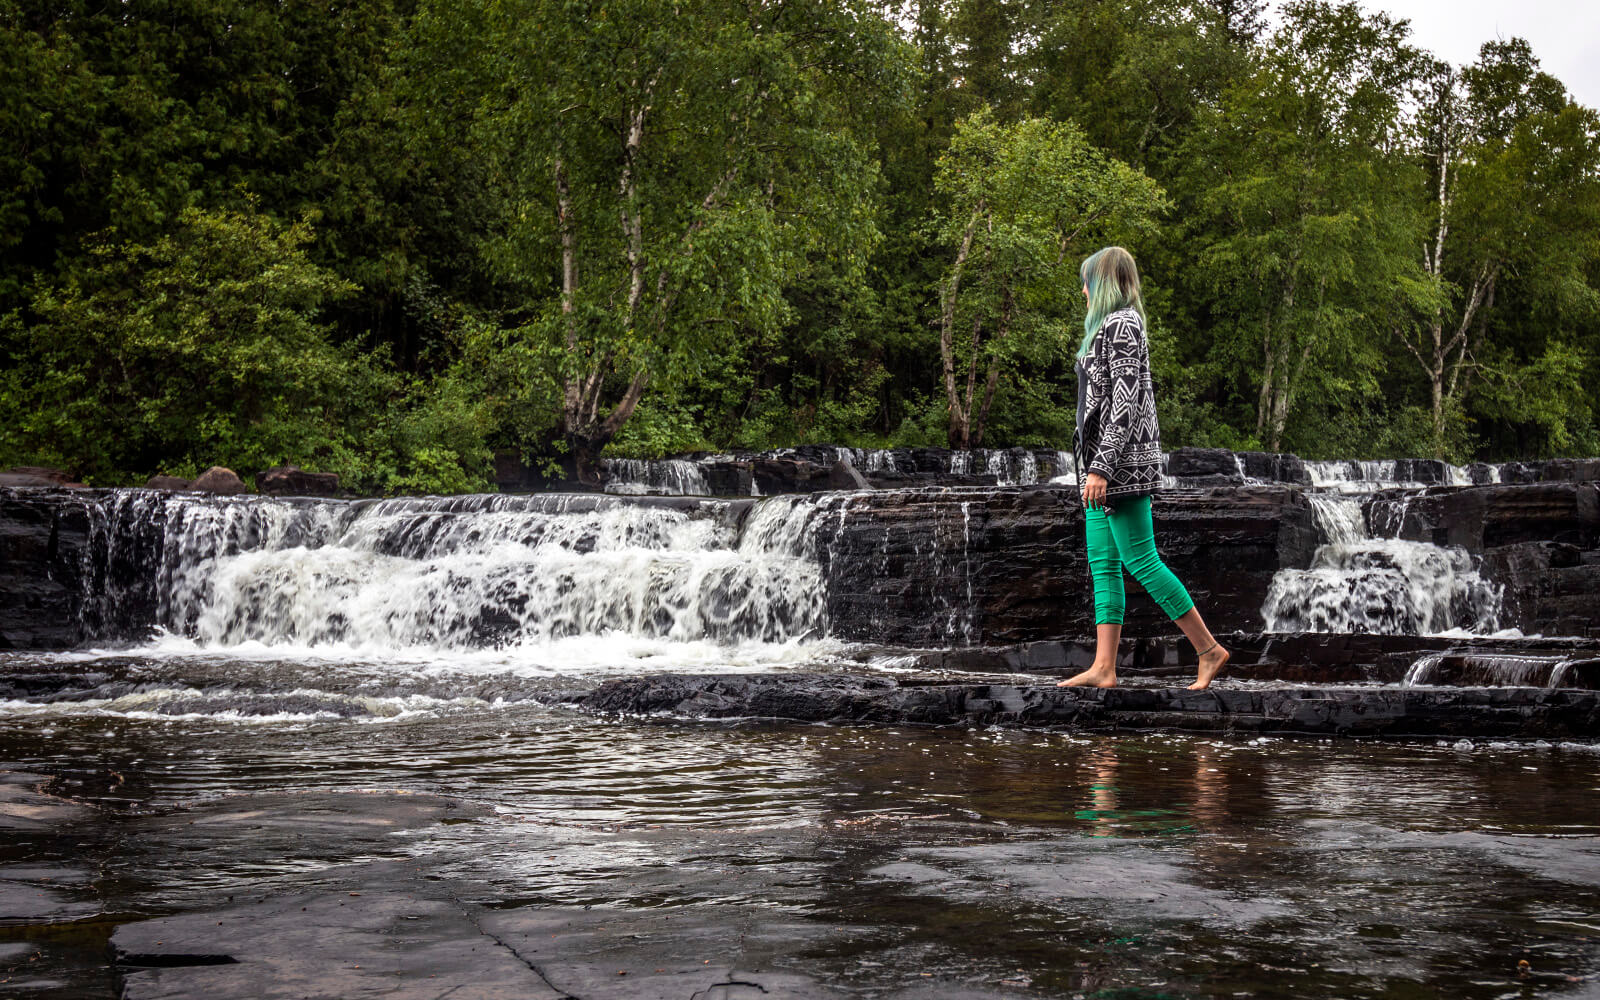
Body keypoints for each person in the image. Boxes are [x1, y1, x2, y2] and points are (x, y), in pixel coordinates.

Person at [1058, 246, 1228, 690]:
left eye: (1087, 281)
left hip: (1118, 468)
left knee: (1141, 560)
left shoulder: (1124, 324)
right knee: (1104, 564)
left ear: (1104, 283)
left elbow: (1125, 403)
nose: (1083, 289)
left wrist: (1102, 467)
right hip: (1098, 468)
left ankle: (1209, 650)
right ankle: (1104, 667)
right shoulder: (1105, 328)